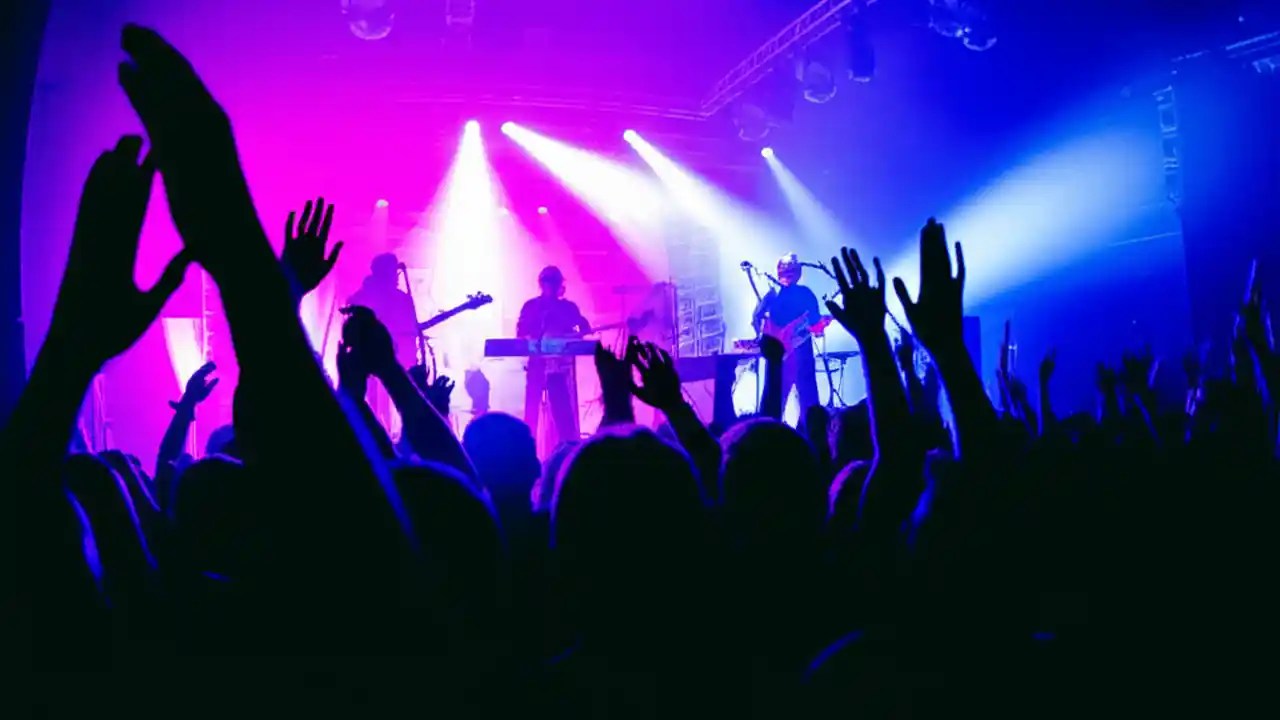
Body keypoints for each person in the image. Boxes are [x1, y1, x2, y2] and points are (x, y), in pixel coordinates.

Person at [517, 266, 590, 448]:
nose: (551, 286)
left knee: (562, 413)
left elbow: (584, 328)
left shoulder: (567, 308)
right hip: (537, 365)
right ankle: (527, 449)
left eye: (554, 282)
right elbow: (521, 332)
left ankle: (568, 449)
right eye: (548, 282)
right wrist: (533, 339)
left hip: (560, 367)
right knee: (532, 413)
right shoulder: (532, 307)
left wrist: (572, 337)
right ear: (542, 284)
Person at [348, 253, 420, 432]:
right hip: (369, 357)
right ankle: (377, 430)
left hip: (398, 355)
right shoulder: (363, 296)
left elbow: (411, 328)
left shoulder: (403, 298)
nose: (395, 275)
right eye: (391, 271)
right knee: (373, 396)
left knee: (397, 393)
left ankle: (397, 431)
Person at [752, 253, 822, 420]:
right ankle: (812, 434)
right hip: (798, 350)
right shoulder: (805, 293)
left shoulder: (772, 293)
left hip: (777, 350)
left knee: (774, 393)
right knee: (807, 396)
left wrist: (761, 336)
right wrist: (816, 328)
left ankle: (768, 431)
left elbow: (756, 316)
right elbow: (816, 322)